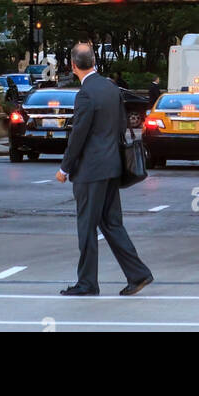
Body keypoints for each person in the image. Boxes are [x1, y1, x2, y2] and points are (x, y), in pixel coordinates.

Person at [56, 43, 153, 298]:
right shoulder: (110, 87)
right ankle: (138, 274)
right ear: (94, 61)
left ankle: (87, 283)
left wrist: (65, 168)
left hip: (91, 170)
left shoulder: (85, 94)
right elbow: (121, 125)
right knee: (112, 223)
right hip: (112, 166)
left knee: (86, 227)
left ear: (73, 65)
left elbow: (79, 134)